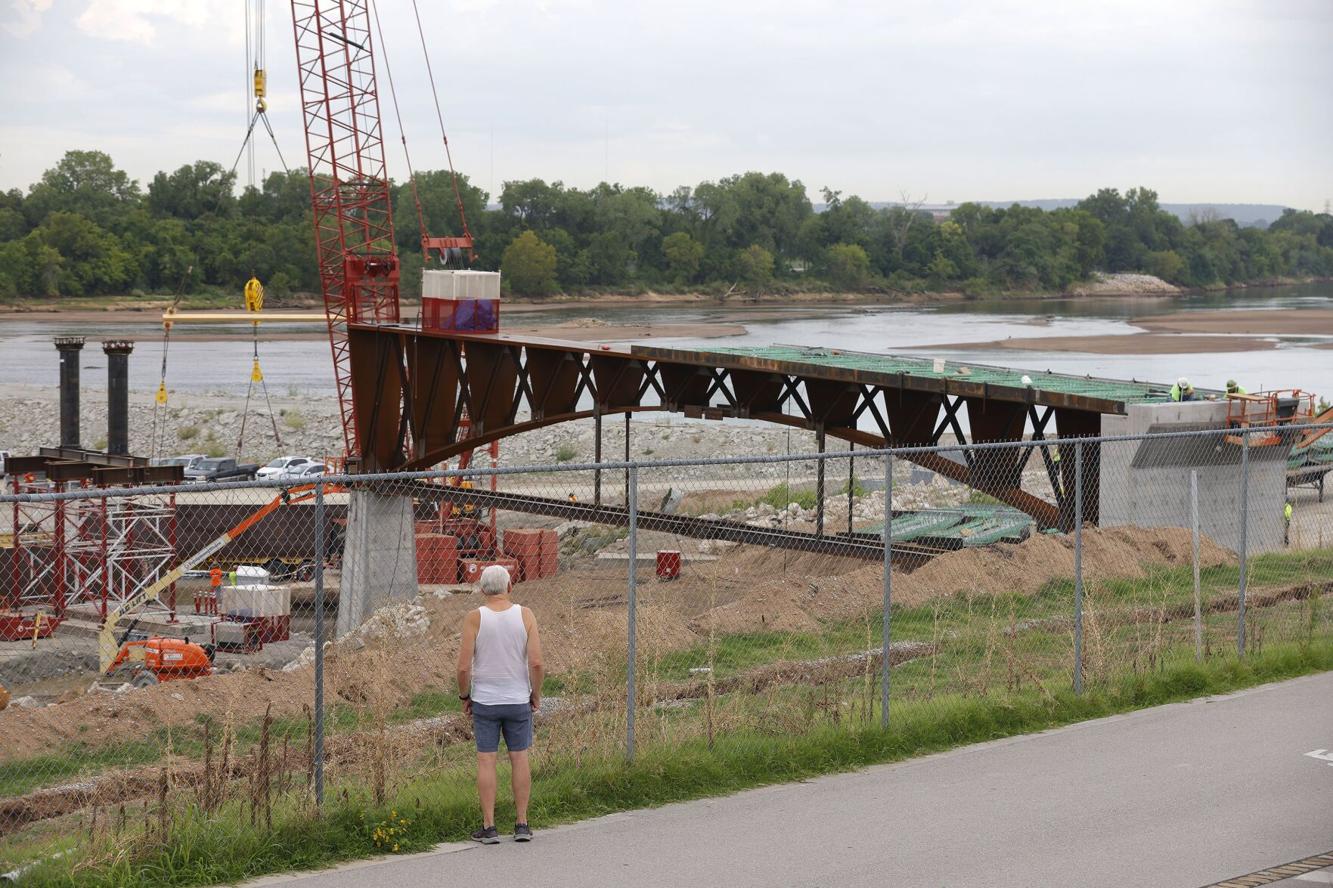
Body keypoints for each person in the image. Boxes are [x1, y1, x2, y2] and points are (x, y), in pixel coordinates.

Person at [457, 564, 544, 844]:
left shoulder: (475, 618)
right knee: (519, 757)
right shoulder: (526, 615)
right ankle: (521, 823)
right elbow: (536, 662)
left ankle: (490, 826)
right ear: (510, 587)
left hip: (485, 701)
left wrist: (464, 696)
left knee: (486, 760)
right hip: (518, 698)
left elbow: (462, 668)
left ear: (482, 589)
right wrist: (535, 693)